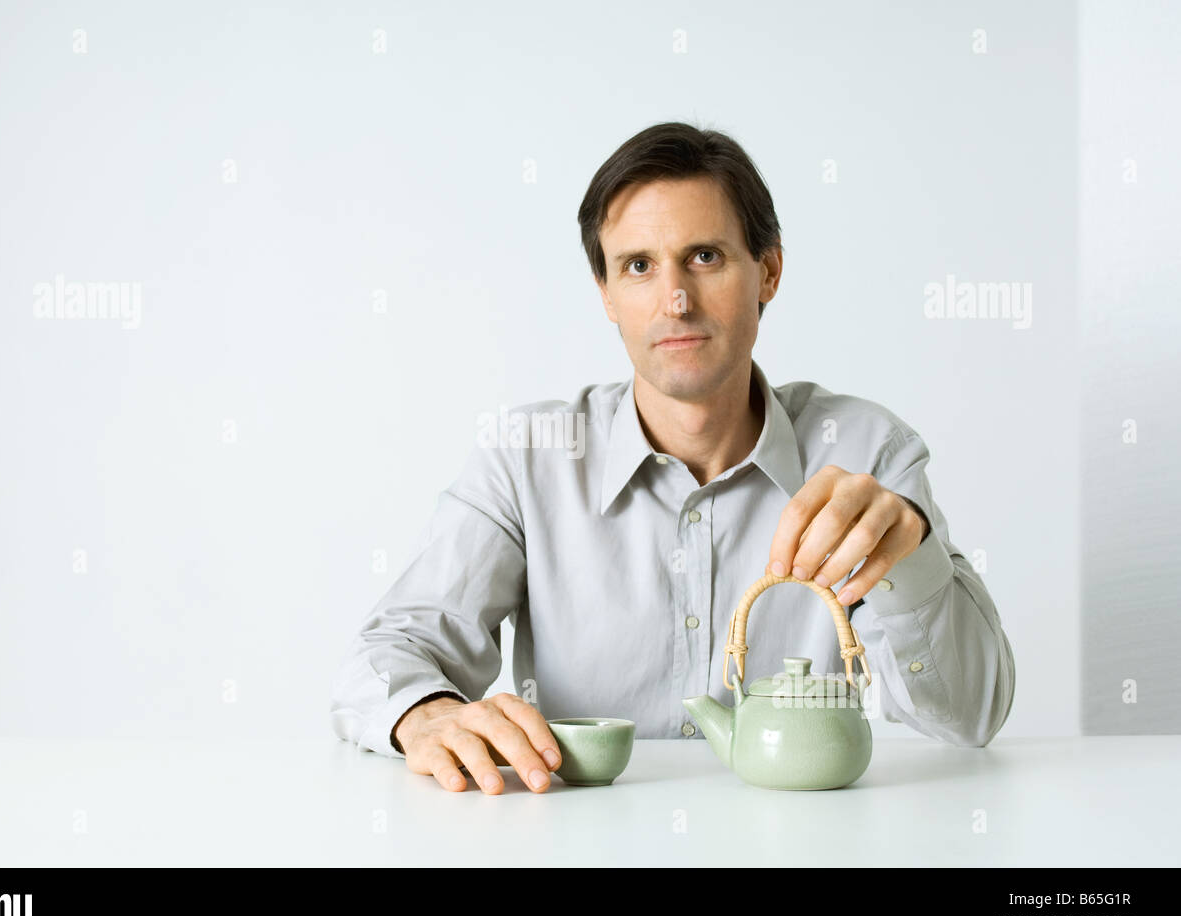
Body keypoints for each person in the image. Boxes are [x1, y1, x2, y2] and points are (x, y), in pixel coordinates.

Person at [329, 121, 1016, 795]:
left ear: (768, 271)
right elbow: (387, 651)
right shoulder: (526, 461)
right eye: (638, 266)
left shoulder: (867, 454)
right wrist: (427, 714)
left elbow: (973, 715)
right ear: (606, 294)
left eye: (706, 257)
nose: (676, 299)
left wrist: (909, 554)